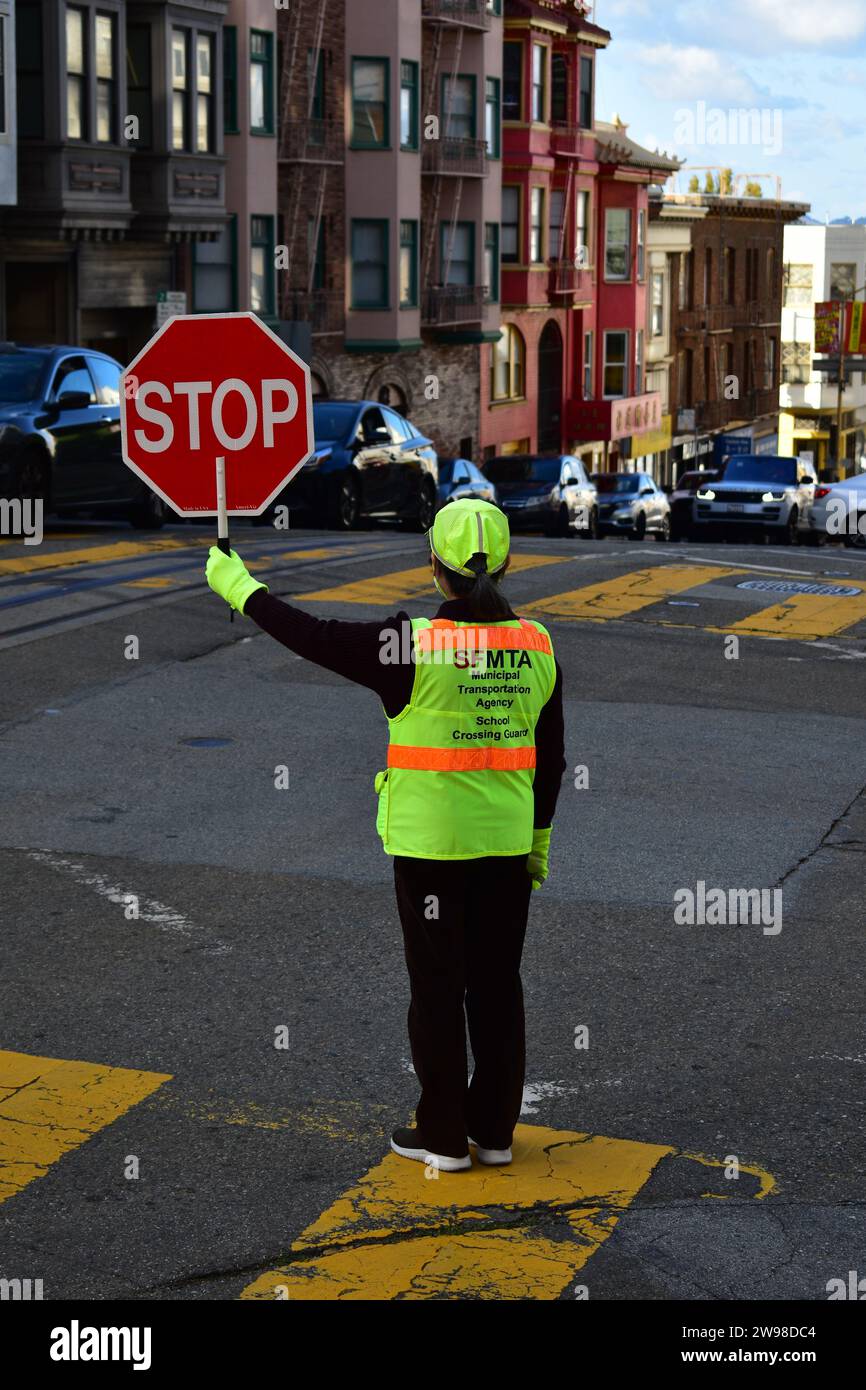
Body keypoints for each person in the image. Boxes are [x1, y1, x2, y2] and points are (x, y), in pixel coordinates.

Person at [206, 498, 566, 1172]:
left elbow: (311, 634)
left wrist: (237, 585)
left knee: (436, 987)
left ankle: (442, 1137)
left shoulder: (411, 645)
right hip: (507, 849)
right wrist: (539, 841)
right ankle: (492, 1133)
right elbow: (553, 760)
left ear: (435, 566)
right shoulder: (538, 645)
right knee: (496, 985)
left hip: (431, 851)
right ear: (509, 564)